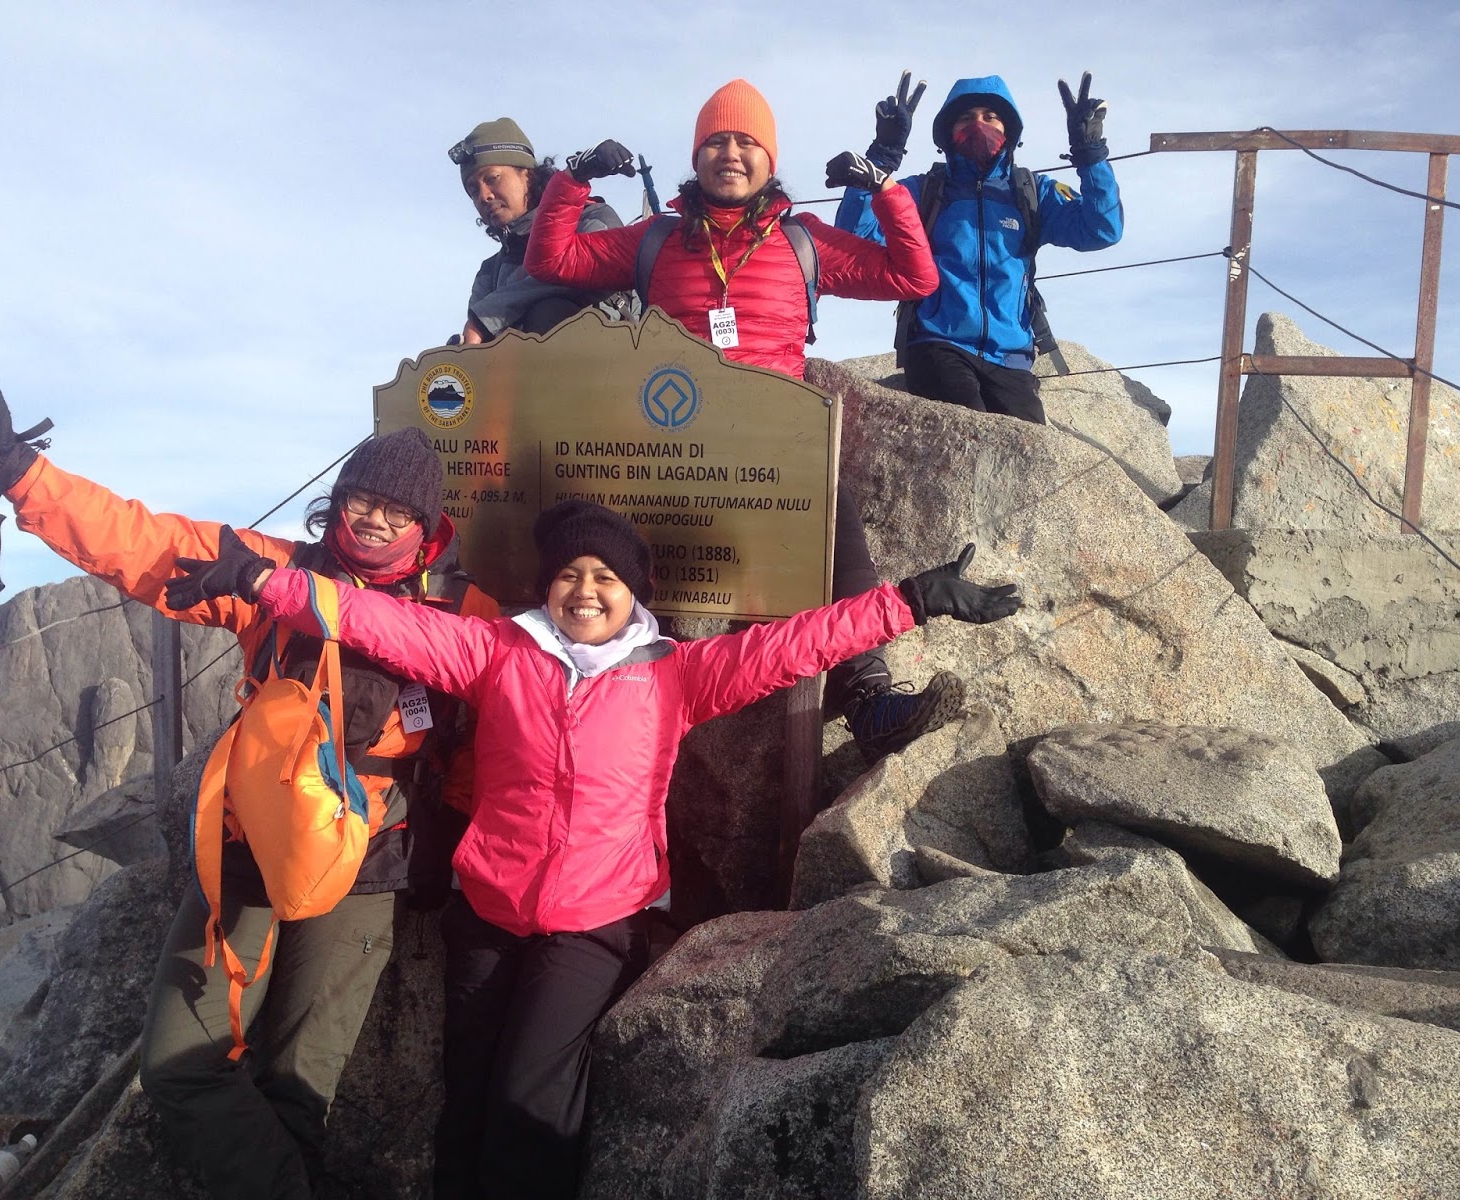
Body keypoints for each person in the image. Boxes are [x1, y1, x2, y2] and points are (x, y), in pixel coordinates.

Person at [162, 497, 1022, 1199]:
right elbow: (379, 622)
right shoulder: (498, 651)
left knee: (528, 1101)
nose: (585, 589)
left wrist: (912, 598)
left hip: (595, 924)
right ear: (547, 587)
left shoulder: (672, 674)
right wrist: (265, 582)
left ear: (634, 591)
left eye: (605, 576)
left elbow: (790, 647)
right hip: (487, 911)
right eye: (570, 574)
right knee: (463, 1105)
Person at [0, 348, 497, 1200]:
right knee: (179, 1062)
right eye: (363, 500)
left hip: (370, 856)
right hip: (252, 838)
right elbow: (145, 542)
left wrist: (455, 840)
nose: (378, 522)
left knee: (301, 1085)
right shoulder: (272, 574)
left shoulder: (467, 615)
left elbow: (505, 719)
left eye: (400, 510)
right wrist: (20, 473)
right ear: (339, 501)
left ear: (429, 525)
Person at [524, 78, 961, 760]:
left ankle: (867, 694)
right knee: (610, 550)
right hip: (674, 444)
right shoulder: (656, 242)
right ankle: (588, 693)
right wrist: (574, 178)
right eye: (716, 141)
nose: (731, 153)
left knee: (833, 531)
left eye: (746, 141)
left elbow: (915, 279)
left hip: (774, 441)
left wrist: (883, 187)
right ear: (696, 157)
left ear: (768, 158)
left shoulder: (804, 242)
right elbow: (552, 258)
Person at [836, 71, 1124, 423]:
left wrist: (1090, 155)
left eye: (990, 116)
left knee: (1026, 455)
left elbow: (1102, 229)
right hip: (938, 343)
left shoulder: (1033, 192)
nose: (978, 125)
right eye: (966, 118)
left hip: (1011, 355)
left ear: (1010, 130)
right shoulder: (925, 192)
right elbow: (856, 235)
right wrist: (883, 157)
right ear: (948, 133)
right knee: (971, 429)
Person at [448, 117, 635, 343]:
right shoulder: (490, 272)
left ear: (526, 174)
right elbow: (476, 339)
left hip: (613, 363)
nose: (484, 195)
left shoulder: (592, 218)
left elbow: (586, 271)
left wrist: (486, 318)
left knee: (548, 311)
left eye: (492, 178)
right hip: (518, 375)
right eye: (473, 190)